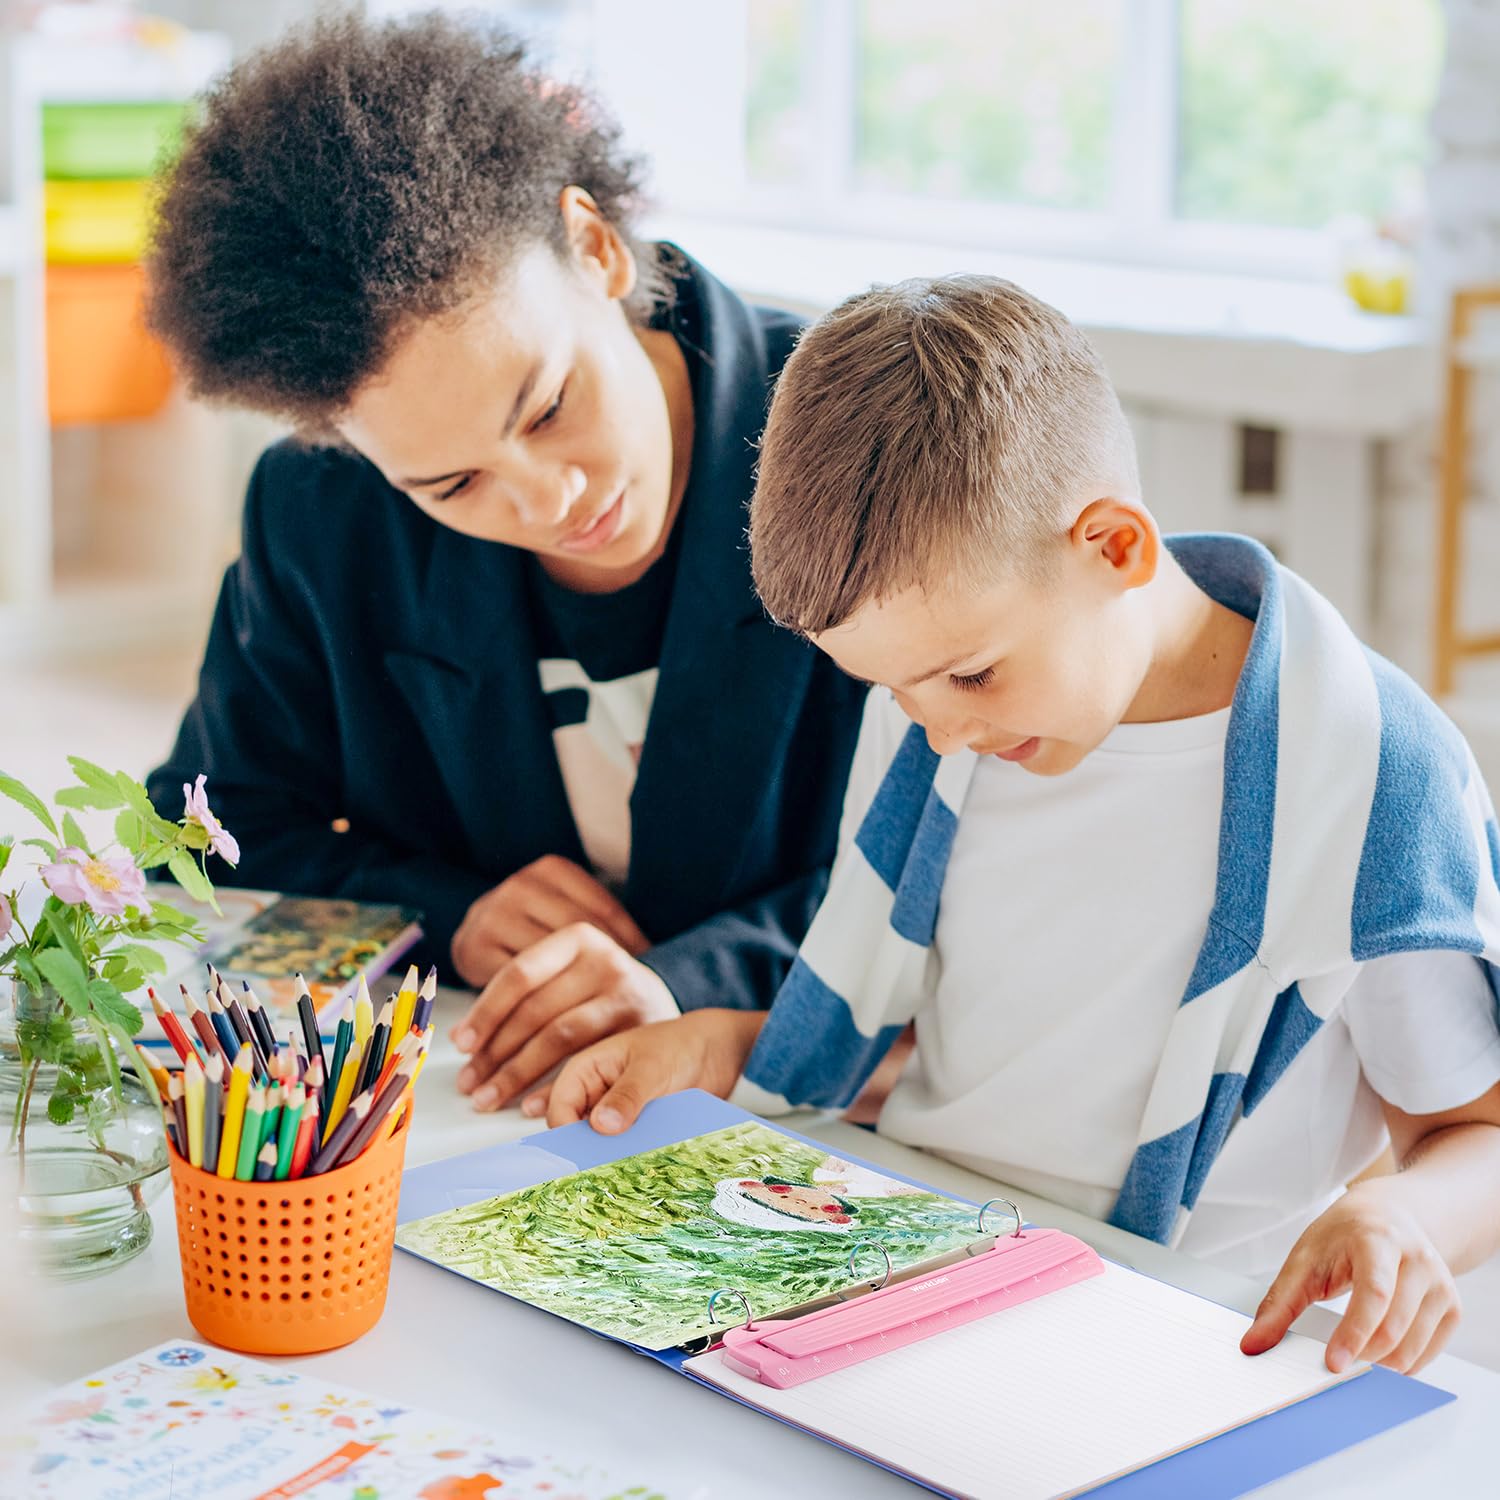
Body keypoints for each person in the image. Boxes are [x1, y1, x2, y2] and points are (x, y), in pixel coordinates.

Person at [539, 275, 1500, 1377]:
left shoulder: (1368, 778)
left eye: (971, 676)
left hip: (1179, 1338)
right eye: (901, 695)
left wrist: (1409, 1222)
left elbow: (1471, 1133)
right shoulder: (951, 719)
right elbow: (967, 1075)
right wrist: (727, 1044)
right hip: (920, 1268)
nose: (939, 736)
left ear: (1114, 548)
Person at [143, 13, 864, 1111]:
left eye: (549, 406)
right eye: (450, 486)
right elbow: (201, 839)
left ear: (596, 247)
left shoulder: (860, 442)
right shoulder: (321, 511)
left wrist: (689, 982)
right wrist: (447, 910)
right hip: (484, 1105)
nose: (551, 499)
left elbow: (974, 850)